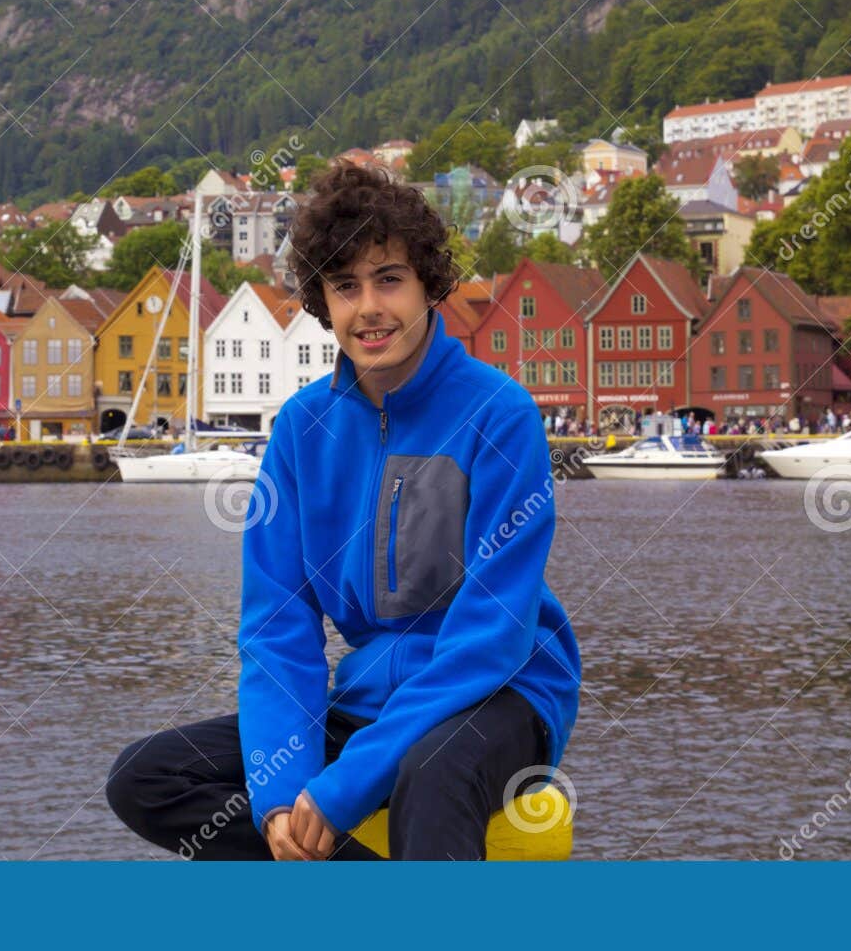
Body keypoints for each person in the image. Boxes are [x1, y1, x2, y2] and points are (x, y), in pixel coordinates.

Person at [106, 161, 581, 861]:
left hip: (504, 691)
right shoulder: (301, 430)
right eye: (345, 286)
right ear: (323, 300)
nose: (369, 308)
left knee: (432, 769)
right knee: (146, 775)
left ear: (428, 284)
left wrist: (342, 788)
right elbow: (278, 634)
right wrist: (280, 797)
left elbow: (492, 635)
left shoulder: (497, 414)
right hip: (369, 698)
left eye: (389, 278)